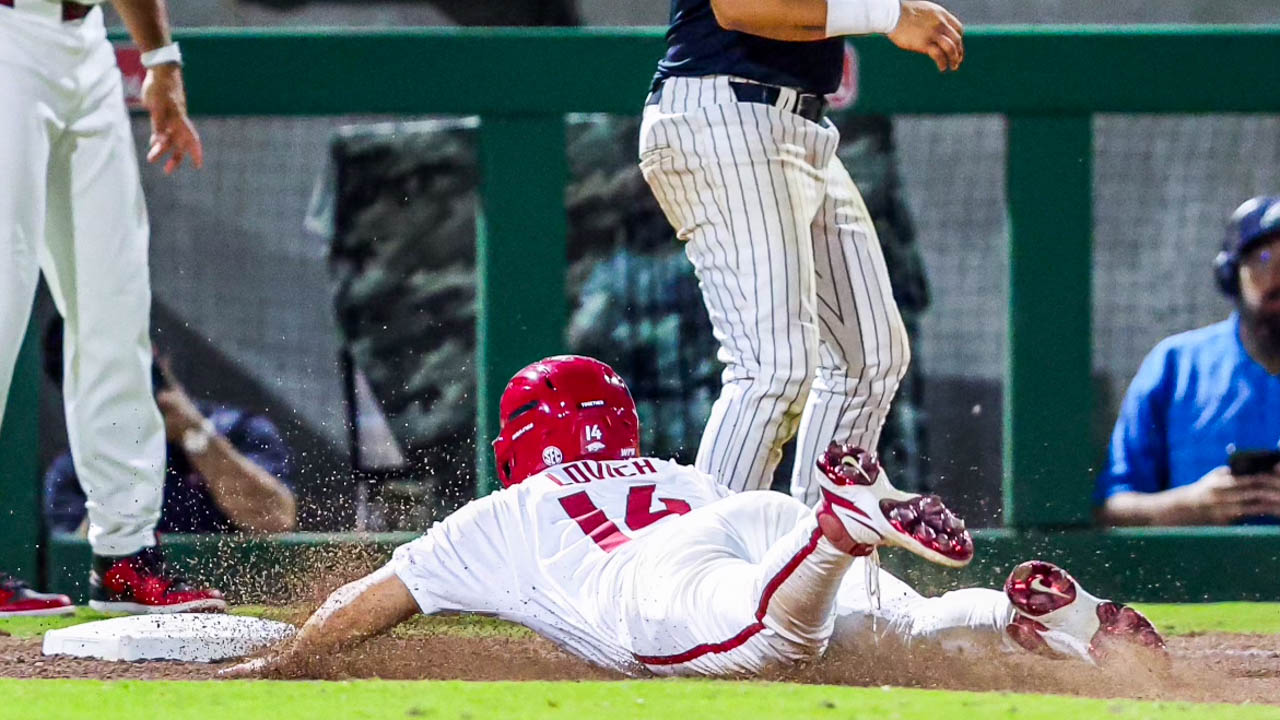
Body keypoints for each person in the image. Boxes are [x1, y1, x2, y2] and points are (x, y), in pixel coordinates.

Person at [226, 356, 1163, 679]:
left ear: (525, 438)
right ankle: (1017, 616)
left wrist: (292, 657)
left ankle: (842, 525)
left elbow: (369, 599)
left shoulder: (504, 509)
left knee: (771, 649)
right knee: (900, 629)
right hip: (750, 514)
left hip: (661, 574)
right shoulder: (674, 468)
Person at [636, 0, 964, 503]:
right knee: (770, 368)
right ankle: (699, 570)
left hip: (800, 124)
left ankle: (816, 565)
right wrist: (889, 15)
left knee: (870, 359)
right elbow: (740, 7)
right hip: (721, 113)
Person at [0, 0, 223, 613]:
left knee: (115, 309)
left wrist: (160, 59)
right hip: (7, 38)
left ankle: (125, 556)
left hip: (86, 41)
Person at [1097, 196, 1280, 526]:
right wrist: (1189, 506)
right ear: (1231, 273)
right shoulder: (1176, 367)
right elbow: (1111, 507)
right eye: (1264, 258)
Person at [42, 319, 298, 536]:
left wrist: (196, 435)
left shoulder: (238, 430)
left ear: (156, 359)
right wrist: (119, 458)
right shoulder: (74, 473)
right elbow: (80, 566)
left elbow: (276, 519)